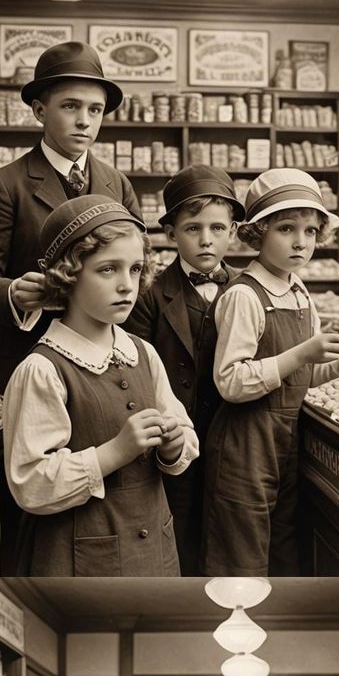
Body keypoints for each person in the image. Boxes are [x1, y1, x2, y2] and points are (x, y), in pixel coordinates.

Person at [0, 40, 142, 570]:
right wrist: (14, 292)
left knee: (101, 501)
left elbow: (136, 268)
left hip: (102, 375)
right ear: (39, 110)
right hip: (32, 361)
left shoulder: (117, 184)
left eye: (95, 110)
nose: (84, 120)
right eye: (70, 106)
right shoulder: (8, 184)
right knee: (35, 508)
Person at [2, 195, 196, 575]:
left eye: (136, 269)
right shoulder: (43, 370)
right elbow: (31, 482)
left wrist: (174, 446)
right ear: (67, 274)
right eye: (108, 270)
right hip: (83, 563)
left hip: (155, 554)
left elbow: (184, 434)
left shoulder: (143, 353)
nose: (127, 285)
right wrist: (115, 451)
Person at [201, 169, 339, 576]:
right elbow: (231, 381)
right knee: (243, 554)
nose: (301, 241)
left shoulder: (298, 290)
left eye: (311, 231)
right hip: (245, 445)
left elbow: (309, 377)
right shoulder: (244, 295)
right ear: (258, 233)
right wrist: (303, 353)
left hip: (288, 440)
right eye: (286, 228)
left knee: (283, 545)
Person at [126, 166, 244, 574]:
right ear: (172, 234)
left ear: (233, 231)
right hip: (175, 442)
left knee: (230, 538)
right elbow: (138, 372)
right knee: (178, 533)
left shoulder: (249, 291)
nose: (206, 239)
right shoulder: (149, 296)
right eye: (193, 228)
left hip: (235, 441)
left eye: (217, 228)